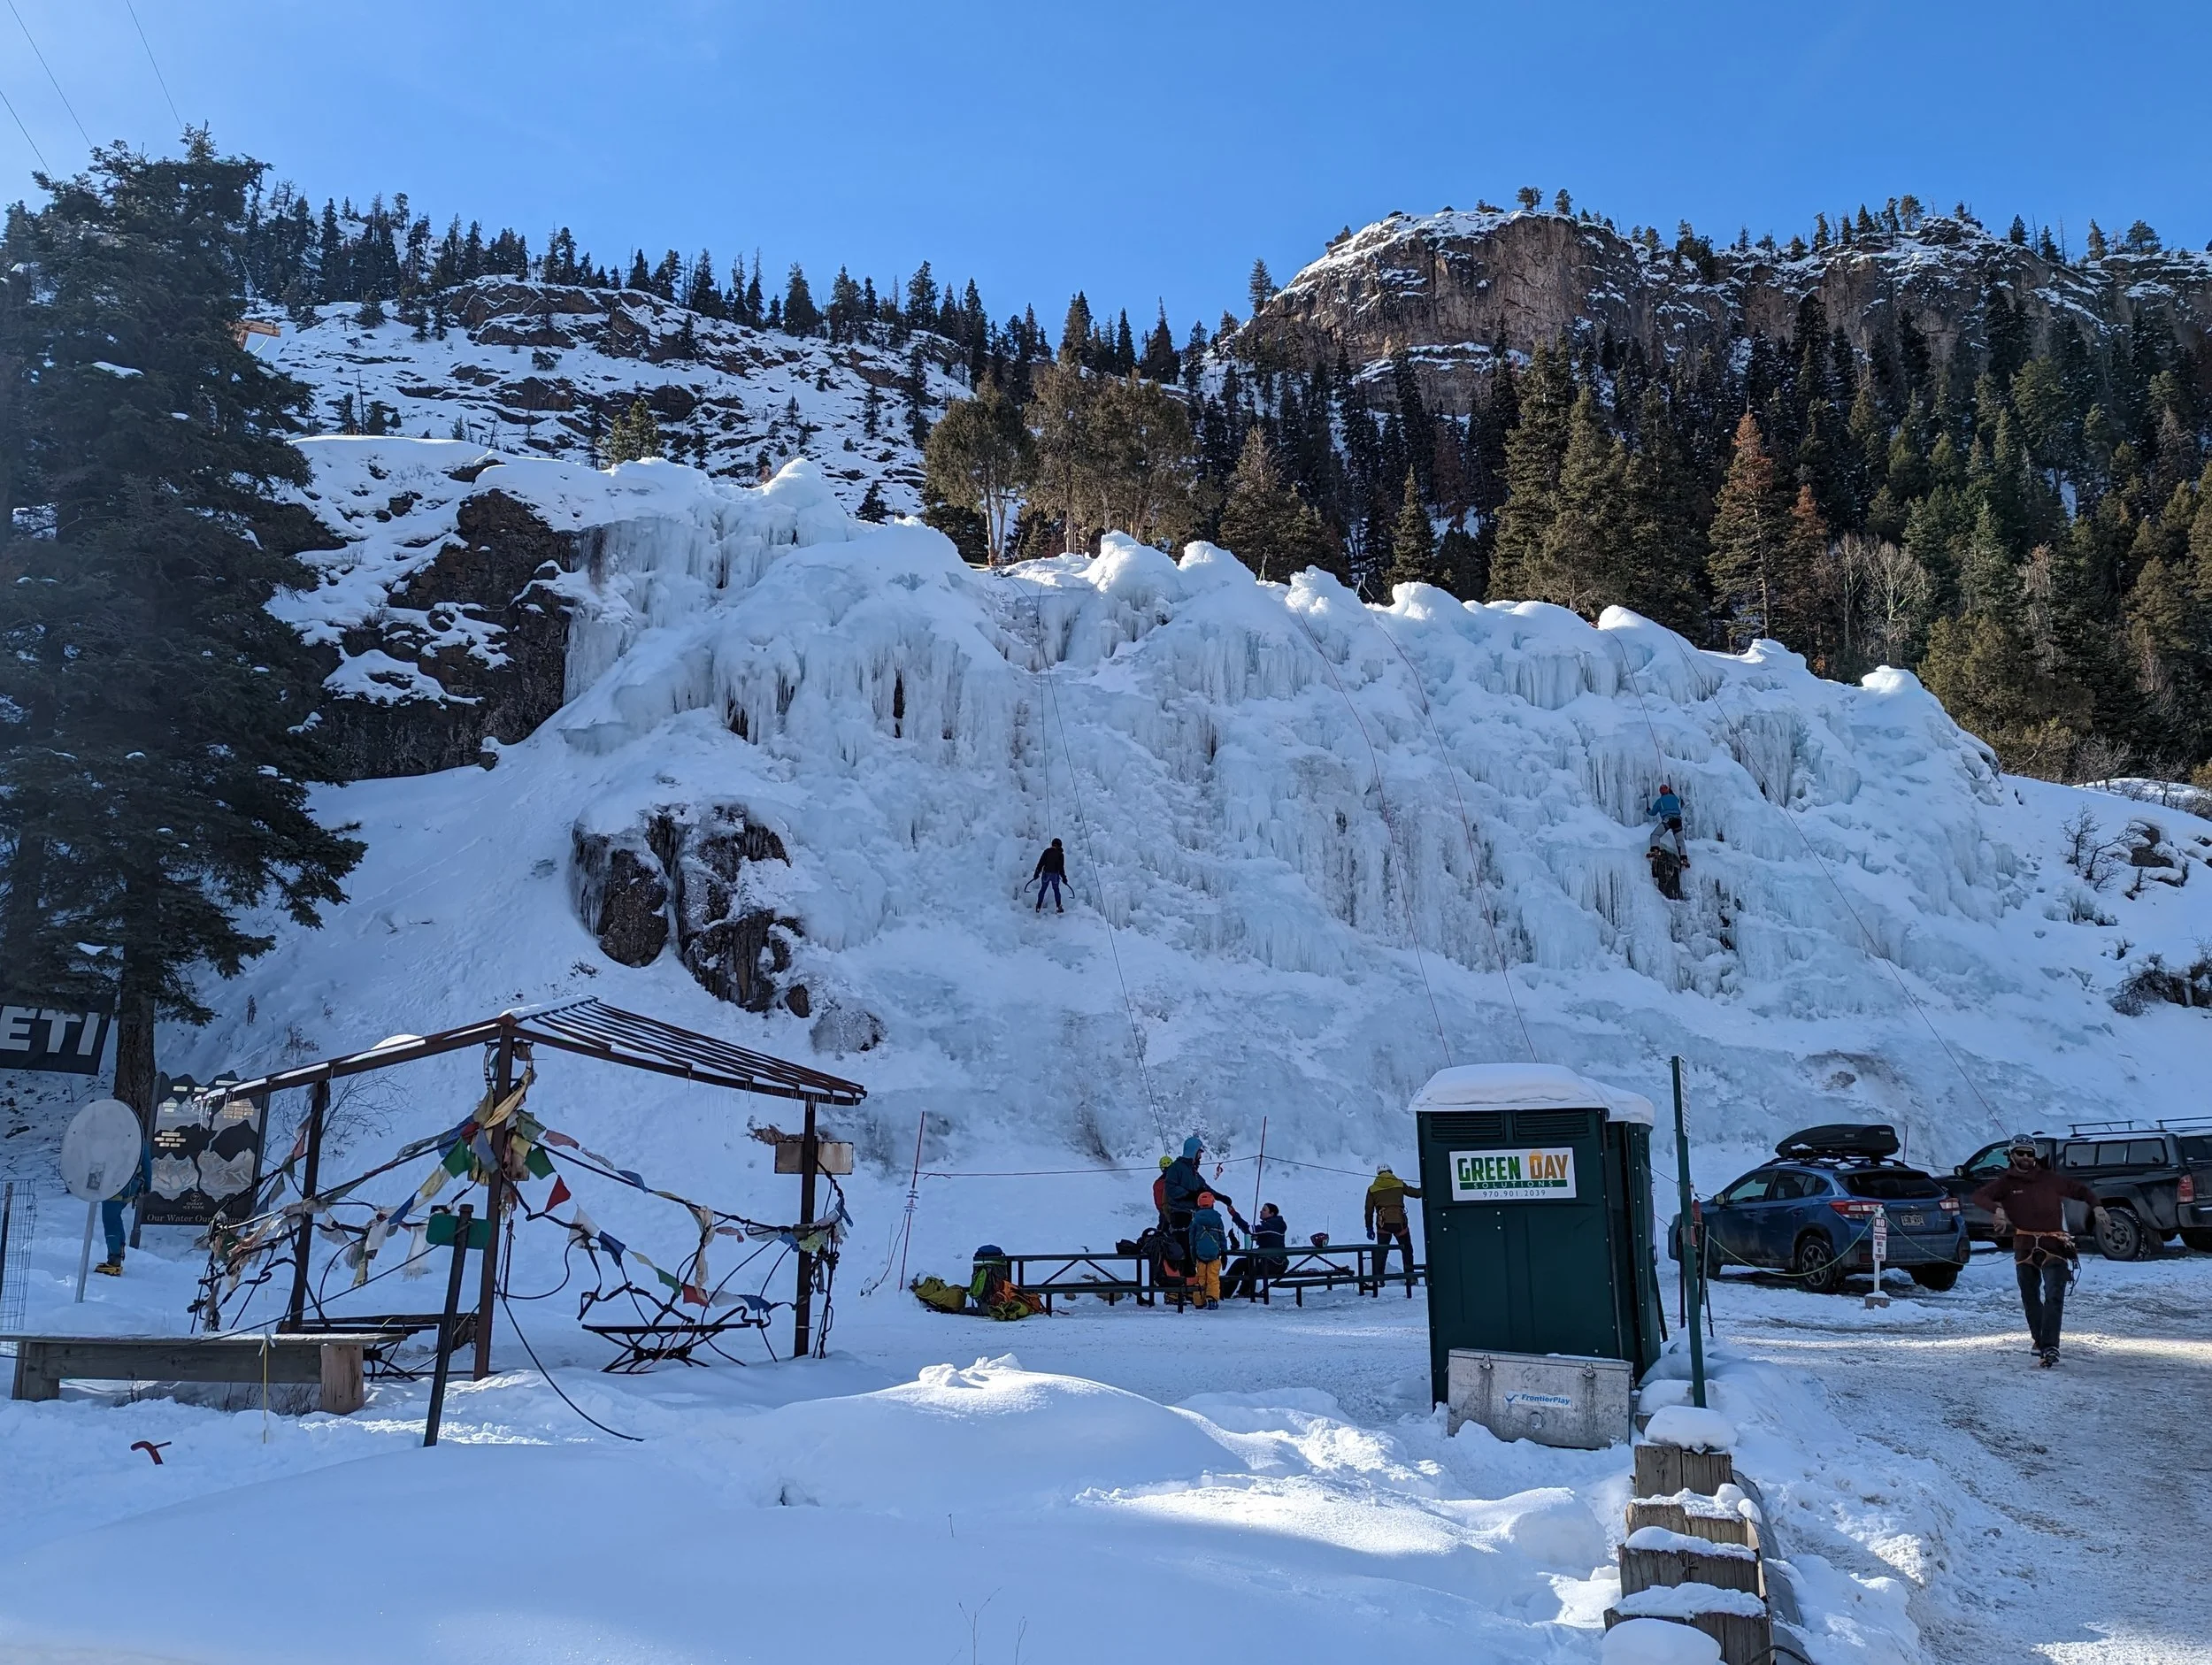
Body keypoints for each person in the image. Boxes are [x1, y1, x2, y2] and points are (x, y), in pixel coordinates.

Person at [1971, 1135, 2100, 1366]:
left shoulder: (2049, 1179)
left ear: (2035, 1156)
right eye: (2020, 1153)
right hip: (2024, 1246)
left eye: (2029, 1154)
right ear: (2011, 1156)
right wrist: (1997, 1209)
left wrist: (2098, 1207)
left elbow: (2081, 1191)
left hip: (2055, 1245)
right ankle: (2040, 1341)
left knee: (2054, 1295)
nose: (2025, 1158)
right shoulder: (2005, 1183)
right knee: (2030, 1297)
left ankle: (2050, 1346)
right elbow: (1979, 1196)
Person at [92, 1134, 149, 1278]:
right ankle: (119, 1250)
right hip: (133, 1184)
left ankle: (114, 1259)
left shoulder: (111, 1138)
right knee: (116, 1218)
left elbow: (99, 1160)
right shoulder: (139, 1139)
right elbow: (147, 1163)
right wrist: (147, 1186)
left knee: (110, 1221)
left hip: (114, 1184)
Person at [1364, 1166, 1424, 1291]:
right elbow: (1416, 1194)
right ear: (1391, 1172)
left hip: (1383, 1225)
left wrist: (1369, 1228)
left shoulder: (1372, 1189)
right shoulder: (1399, 1184)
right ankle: (1410, 1277)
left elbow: (1368, 1211)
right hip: (1399, 1223)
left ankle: (1379, 1278)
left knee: (1382, 1251)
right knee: (1407, 1249)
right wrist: (1427, 1186)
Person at [1223, 1202, 1287, 1301]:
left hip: (1273, 1263)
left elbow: (1249, 1229)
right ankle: (1242, 1291)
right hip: (1276, 1262)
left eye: (1264, 1210)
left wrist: (1235, 1215)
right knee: (1247, 1263)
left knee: (1244, 1264)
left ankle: (1225, 1293)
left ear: (1272, 1214)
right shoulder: (1275, 1225)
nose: (1261, 1211)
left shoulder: (1271, 1226)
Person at [1187, 1192, 1229, 1308]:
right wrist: (1224, 1253)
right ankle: (1212, 1300)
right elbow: (1222, 1237)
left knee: (1200, 1278)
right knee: (1213, 1278)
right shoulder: (1217, 1218)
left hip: (1200, 1254)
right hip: (1215, 1254)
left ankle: (1199, 1302)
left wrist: (1193, 1255)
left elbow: (1192, 1240)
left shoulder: (1195, 1219)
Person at [1031, 838, 1067, 913]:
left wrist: (1037, 873)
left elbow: (1041, 863)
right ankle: (1059, 906)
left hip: (1046, 874)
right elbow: (1061, 868)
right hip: (1055, 875)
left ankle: (1038, 906)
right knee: (1056, 890)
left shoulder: (1047, 852)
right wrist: (1064, 878)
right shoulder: (1060, 854)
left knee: (1043, 889)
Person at [1647, 829, 1684, 901]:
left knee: (1654, 835)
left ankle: (1655, 850)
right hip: (1677, 823)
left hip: (1668, 821)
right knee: (1680, 840)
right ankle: (1684, 858)